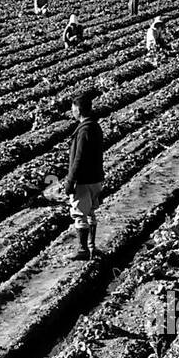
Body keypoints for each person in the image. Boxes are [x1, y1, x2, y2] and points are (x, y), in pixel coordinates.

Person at [63, 90, 104, 260]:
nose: (72, 112)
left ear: (78, 110)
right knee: (92, 211)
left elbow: (78, 158)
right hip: (96, 177)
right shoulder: (95, 127)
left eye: (73, 109)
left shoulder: (84, 130)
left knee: (80, 212)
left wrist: (70, 180)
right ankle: (92, 246)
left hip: (84, 179)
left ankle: (83, 249)